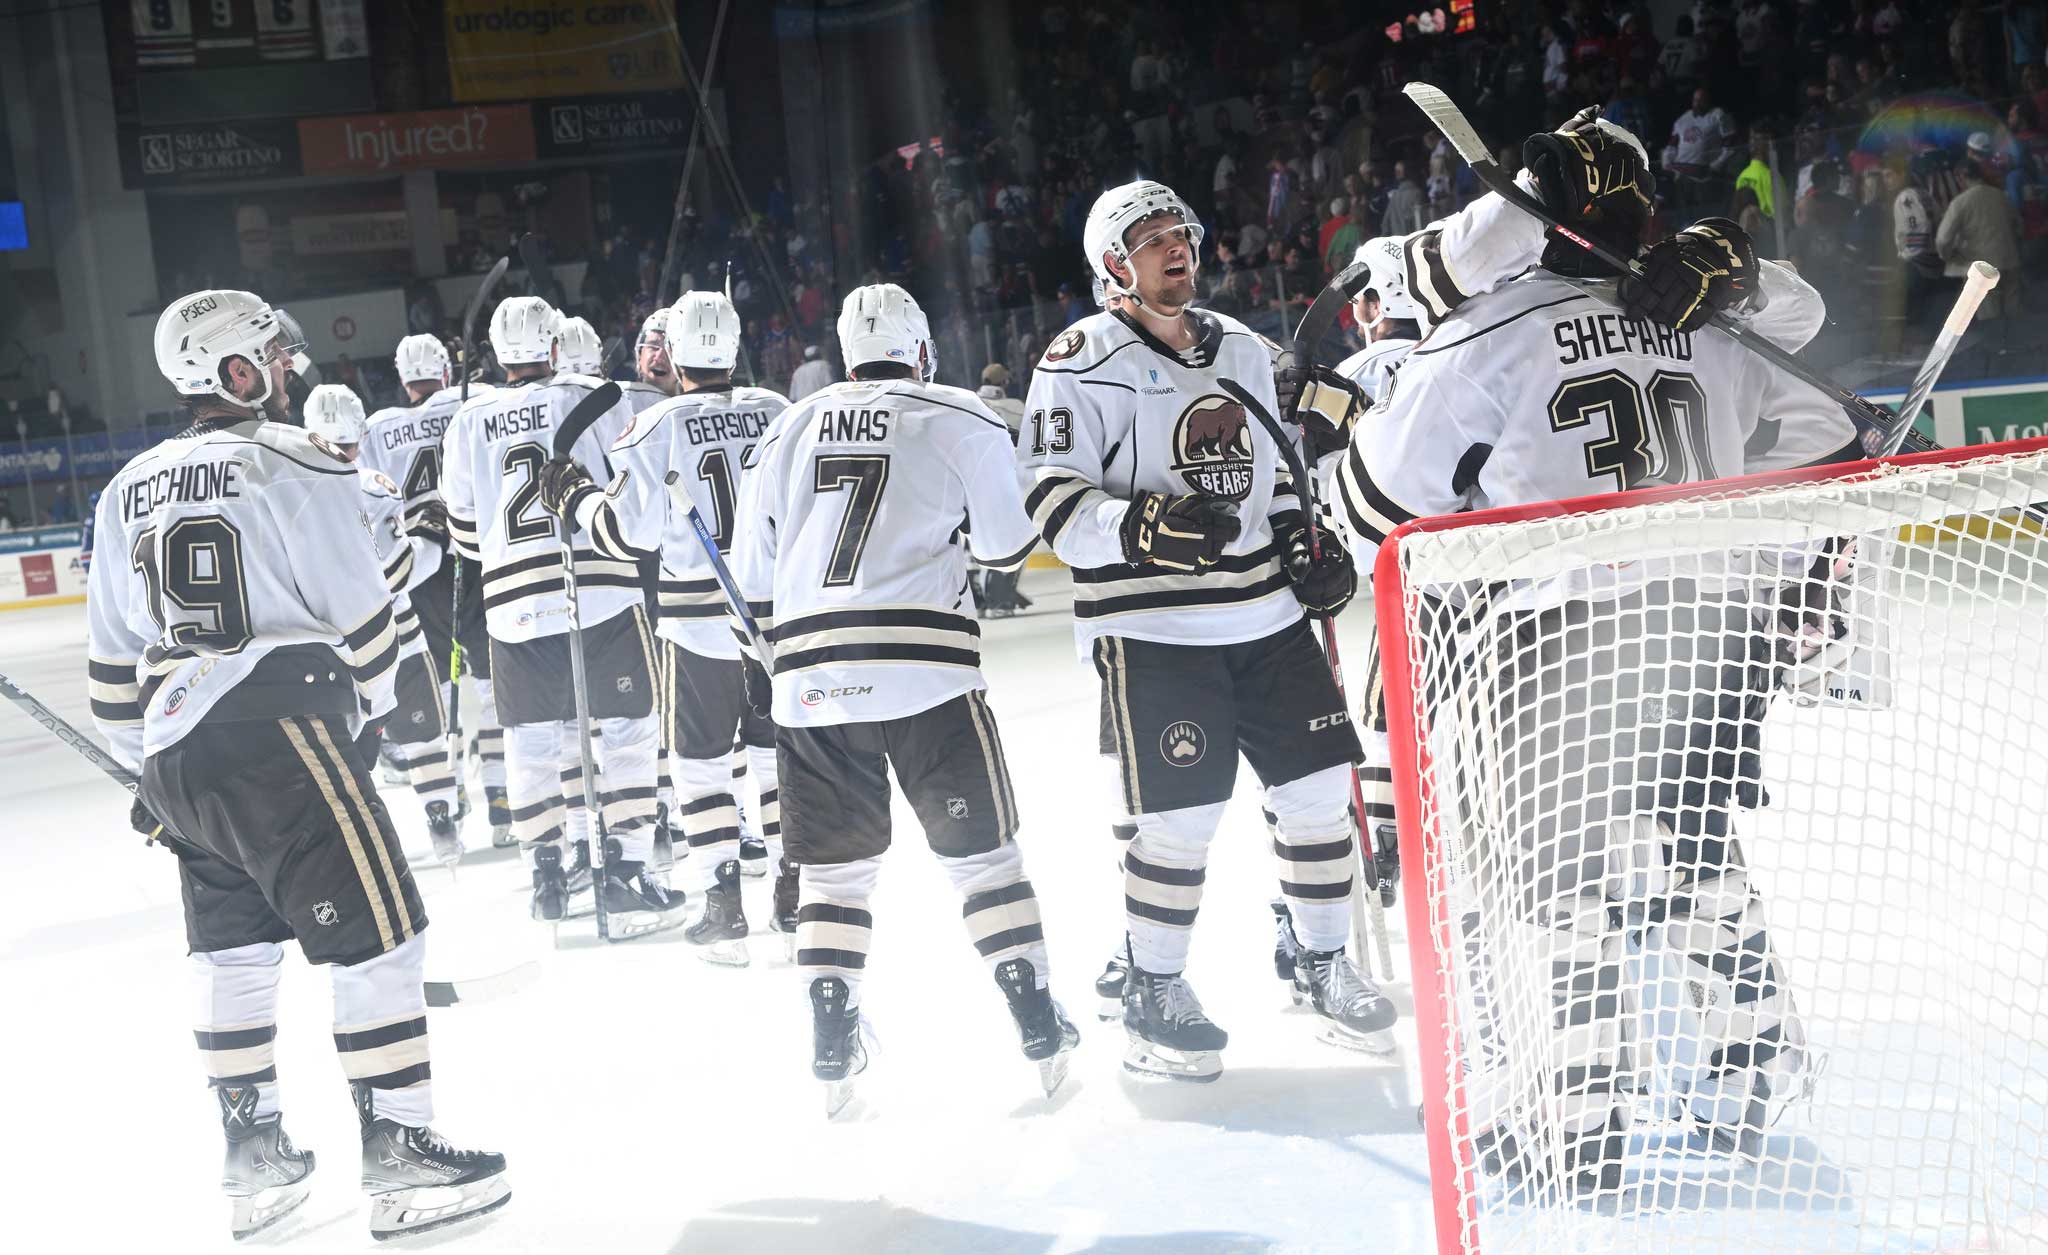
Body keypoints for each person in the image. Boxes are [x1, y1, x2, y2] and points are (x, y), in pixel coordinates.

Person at [1334, 109, 1856, 1197]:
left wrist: (1351, 415)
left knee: (1554, 892)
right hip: (1708, 631)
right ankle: (1747, 1071)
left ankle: (1575, 1121)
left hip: (1553, 640)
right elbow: (1825, 433)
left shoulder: (1490, 329)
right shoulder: (1707, 320)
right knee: (1698, 854)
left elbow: (1374, 509)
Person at [88, 289, 507, 1241]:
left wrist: (154, 778)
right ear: (235, 374)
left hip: (179, 747)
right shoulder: (295, 463)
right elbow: (368, 636)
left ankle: (254, 1158)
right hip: (282, 730)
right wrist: (358, 734)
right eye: (270, 359)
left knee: (232, 952)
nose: (287, 372)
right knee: (384, 932)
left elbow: (113, 681)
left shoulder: (124, 491)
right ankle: (400, 1149)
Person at [1020, 180, 1393, 1082]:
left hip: (1263, 614)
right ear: (1114, 263)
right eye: (1149, 239)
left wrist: (1313, 542)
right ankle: (1154, 984)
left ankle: (1321, 958)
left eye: (1178, 232)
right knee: (1181, 816)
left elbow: (1278, 472)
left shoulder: (1240, 346)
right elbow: (1052, 501)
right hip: (1151, 626)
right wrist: (1139, 527)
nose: (1173, 247)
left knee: (1315, 794)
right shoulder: (1077, 359)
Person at [726, 283, 1077, 1111]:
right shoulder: (957, 411)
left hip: (813, 683)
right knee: (983, 860)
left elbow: (750, 583)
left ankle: (831, 1040)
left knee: (836, 880)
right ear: (921, 350)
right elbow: (1005, 546)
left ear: (845, 355)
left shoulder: (786, 426)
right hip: (929, 671)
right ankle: (1035, 1018)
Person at [537, 290, 795, 963]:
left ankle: (722, 905)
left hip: (698, 629)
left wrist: (576, 496)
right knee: (774, 757)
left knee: (700, 766)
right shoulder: (777, 412)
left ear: (674, 353)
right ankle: (793, 889)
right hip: (776, 622)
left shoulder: (656, 428)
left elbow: (626, 535)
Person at [442, 295, 683, 935]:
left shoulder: (469, 418)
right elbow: (634, 490)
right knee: (630, 730)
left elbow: (463, 531)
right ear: (554, 345)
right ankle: (629, 868)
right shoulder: (600, 396)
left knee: (531, 744)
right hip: (600, 591)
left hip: (513, 608)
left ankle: (548, 875)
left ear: (496, 353)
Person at [357, 334, 510, 844]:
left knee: (441, 690)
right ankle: (502, 801)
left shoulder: (382, 427)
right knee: (490, 690)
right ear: (445, 371)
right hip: (475, 558)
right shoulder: (474, 401)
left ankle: (449, 797)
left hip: (421, 574)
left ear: (403, 379)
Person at [304, 384, 461, 864]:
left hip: (326, 649)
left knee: (339, 750)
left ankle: (351, 843)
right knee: (425, 733)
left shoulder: (285, 492)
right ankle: (440, 815)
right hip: (394, 637)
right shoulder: (373, 486)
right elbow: (399, 573)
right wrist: (432, 536)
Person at [974, 362, 1032, 619]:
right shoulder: (1016, 408)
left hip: (973, 485)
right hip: (1009, 486)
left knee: (974, 546)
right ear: (1005, 383)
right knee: (1012, 540)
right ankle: (999, 598)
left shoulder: (968, 403)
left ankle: (980, 599)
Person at [1938, 147, 2024, 320]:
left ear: (1961, 177)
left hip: (1983, 267)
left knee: (1990, 313)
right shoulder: (2001, 196)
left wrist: (1948, 256)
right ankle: (2016, 345)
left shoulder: (1960, 203)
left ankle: (1997, 346)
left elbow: (1942, 239)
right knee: (2013, 311)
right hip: (2011, 260)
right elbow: (2019, 226)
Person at [635, 309, 678, 397]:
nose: (659, 357)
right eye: (653, 346)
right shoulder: (620, 404)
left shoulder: (695, 410)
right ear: (640, 355)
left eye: (670, 349)